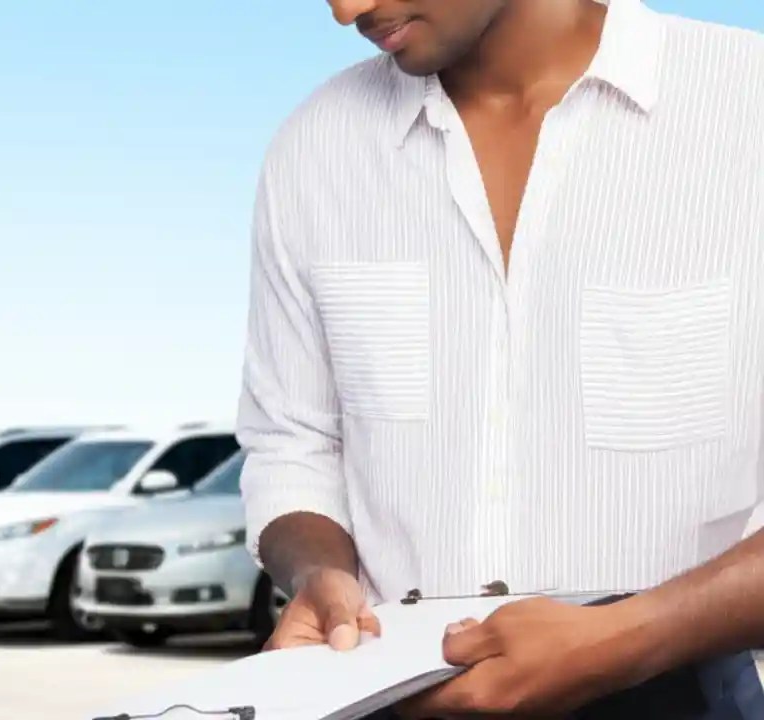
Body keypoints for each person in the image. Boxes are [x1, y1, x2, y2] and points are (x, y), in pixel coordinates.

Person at [236, 0, 764, 716]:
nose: (345, 8)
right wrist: (321, 573)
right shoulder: (316, 147)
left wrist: (621, 643)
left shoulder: (746, 106)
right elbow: (291, 445)